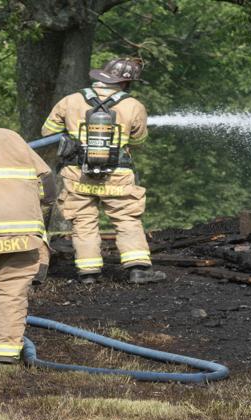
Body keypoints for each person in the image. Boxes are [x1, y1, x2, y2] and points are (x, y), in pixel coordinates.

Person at [40, 56, 165, 285]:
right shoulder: (133, 105)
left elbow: (48, 132)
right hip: (117, 175)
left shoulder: (71, 100)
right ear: (125, 83)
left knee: (83, 222)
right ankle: (137, 270)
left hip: (77, 174)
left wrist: (71, 131)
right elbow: (138, 141)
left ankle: (88, 274)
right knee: (127, 219)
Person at [0, 127, 52, 364]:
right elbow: (47, 183)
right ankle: (2, 354)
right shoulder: (12, 137)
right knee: (10, 292)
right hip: (22, 234)